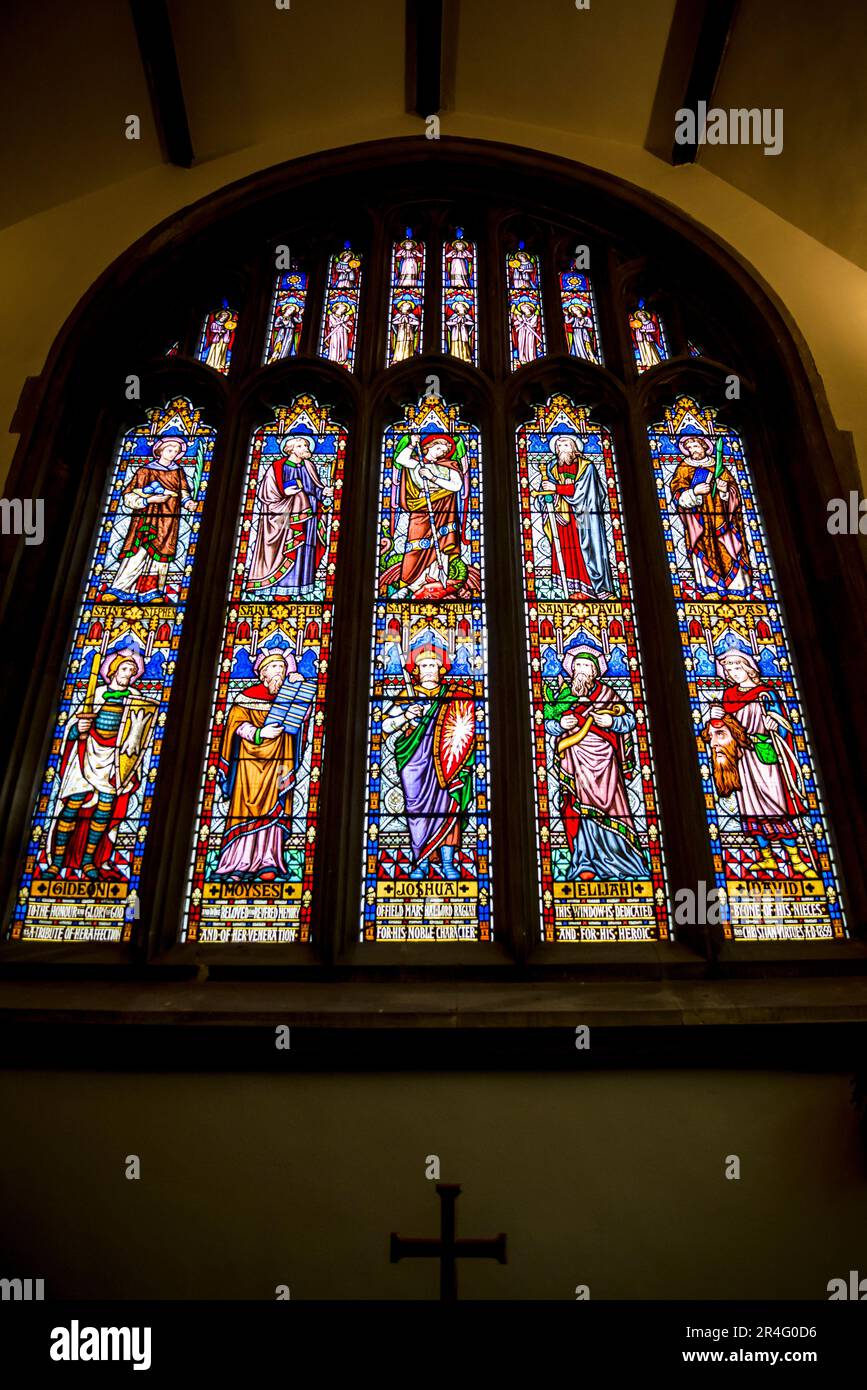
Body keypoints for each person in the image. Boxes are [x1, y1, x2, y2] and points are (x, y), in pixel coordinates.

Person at [43, 650, 156, 880]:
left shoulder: (135, 698)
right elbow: (72, 729)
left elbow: (140, 733)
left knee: (105, 810)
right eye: (125, 669)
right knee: (72, 806)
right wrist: (78, 730)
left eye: (133, 671)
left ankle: (89, 861)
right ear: (113, 670)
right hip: (86, 755)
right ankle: (56, 862)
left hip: (113, 762)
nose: (129, 674)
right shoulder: (96, 695)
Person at [702, 650, 815, 876]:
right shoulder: (728, 696)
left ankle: (795, 858)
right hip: (743, 758)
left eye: (737, 668)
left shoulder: (766, 694)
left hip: (766, 757)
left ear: (749, 668)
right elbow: (725, 728)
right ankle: (766, 857)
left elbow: (785, 726)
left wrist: (775, 725)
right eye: (729, 669)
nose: (733, 673)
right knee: (750, 808)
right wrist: (715, 716)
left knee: (775, 805)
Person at [545, 647, 648, 881]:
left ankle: (620, 859)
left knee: (612, 807)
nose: (580, 671)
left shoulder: (607, 694)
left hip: (606, 762)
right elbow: (547, 723)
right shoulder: (564, 696)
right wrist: (561, 723)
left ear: (595, 672)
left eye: (586, 666)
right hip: (574, 759)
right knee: (577, 807)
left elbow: (630, 719)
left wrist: (611, 720)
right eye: (577, 666)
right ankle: (584, 860)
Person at [214, 651, 310, 881]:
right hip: (248, 768)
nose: (280, 671)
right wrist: (259, 733)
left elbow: (302, 720)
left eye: (282, 667)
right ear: (263, 673)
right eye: (274, 667)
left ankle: (270, 859)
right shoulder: (246, 697)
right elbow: (234, 727)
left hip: (279, 762)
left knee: (275, 808)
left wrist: (301, 691)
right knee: (244, 811)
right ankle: (238, 861)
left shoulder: (288, 694)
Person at [382, 645, 474, 881]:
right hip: (414, 761)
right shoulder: (407, 695)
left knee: (448, 809)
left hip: (447, 763)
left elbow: (466, 723)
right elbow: (383, 726)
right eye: (424, 666)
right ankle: (421, 861)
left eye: (433, 665)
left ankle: (447, 861)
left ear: (441, 669)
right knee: (418, 813)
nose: (429, 670)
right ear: (416, 670)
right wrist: (406, 715)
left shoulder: (453, 694)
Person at [108, 432, 195, 597]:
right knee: (139, 550)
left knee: (161, 554)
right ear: (160, 450)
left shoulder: (178, 472)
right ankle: (120, 588)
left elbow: (183, 492)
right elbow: (128, 495)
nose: (173, 454)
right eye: (170, 450)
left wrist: (188, 502)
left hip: (169, 517)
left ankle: (152, 590)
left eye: (176, 451)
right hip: (146, 516)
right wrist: (148, 500)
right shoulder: (144, 471)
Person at [247, 433, 332, 598]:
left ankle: (301, 588)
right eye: (301, 446)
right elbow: (267, 493)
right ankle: (278, 589)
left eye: (306, 446)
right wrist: (290, 494)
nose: (305, 449)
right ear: (291, 449)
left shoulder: (309, 466)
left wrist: (324, 492)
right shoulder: (279, 467)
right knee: (286, 548)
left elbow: (315, 489)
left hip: (309, 517)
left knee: (305, 550)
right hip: (284, 517)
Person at [671, 431, 751, 595]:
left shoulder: (718, 467)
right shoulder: (683, 469)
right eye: (689, 447)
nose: (693, 449)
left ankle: (737, 586)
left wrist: (725, 491)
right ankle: (710, 586)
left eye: (695, 445)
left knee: (729, 548)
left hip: (722, 519)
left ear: (704, 446)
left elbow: (734, 493)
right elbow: (677, 494)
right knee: (701, 549)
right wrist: (694, 493)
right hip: (699, 521)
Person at [537, 433, 613, 598]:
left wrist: (556, 488)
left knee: (585, 548)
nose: (560, 449)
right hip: (562, 515)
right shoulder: (552, 467)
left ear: (574, 448)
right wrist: (547, 495)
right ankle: (571, 588)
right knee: (565, 549)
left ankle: (593, 588)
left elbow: (585, 491)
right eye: (558, 446)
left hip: (585, 514)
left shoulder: (587, 467)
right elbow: (546, 491)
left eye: (564, 445)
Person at [390, 432, 465, 597]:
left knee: (441, 546)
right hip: (420, 510)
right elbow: (400, 460)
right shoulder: (417, 463)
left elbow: (456, 485)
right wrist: (411, 444)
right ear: (429, 447)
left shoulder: (449, 466)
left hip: (442, 512)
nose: (440, 453)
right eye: (438, 448)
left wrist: (433, 478)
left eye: (443, 451)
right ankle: (411, 586)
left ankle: (438, 580)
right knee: (415, 547)